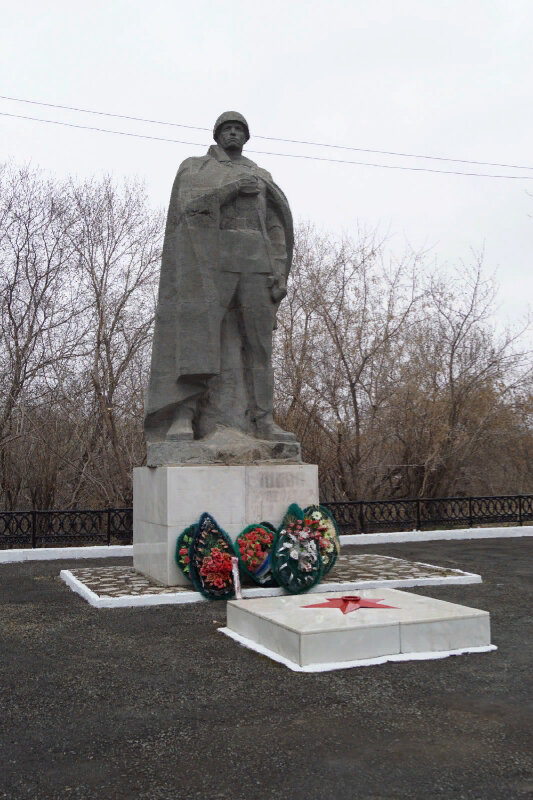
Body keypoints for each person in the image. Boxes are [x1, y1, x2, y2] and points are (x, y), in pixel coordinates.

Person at [144, 111, 296, 446]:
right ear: (216, 135)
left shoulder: (260, 174)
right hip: (210, 265)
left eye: (238, 129)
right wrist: (229, 190)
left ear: (246, 136)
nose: (232, 134)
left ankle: (263, 422)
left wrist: (280, 270)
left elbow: (275, 226)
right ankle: (182, 417)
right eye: (226, 129)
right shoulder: (196, 167)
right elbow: (189, 209)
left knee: (260, 349)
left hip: (257, 264)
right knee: (198, 339)